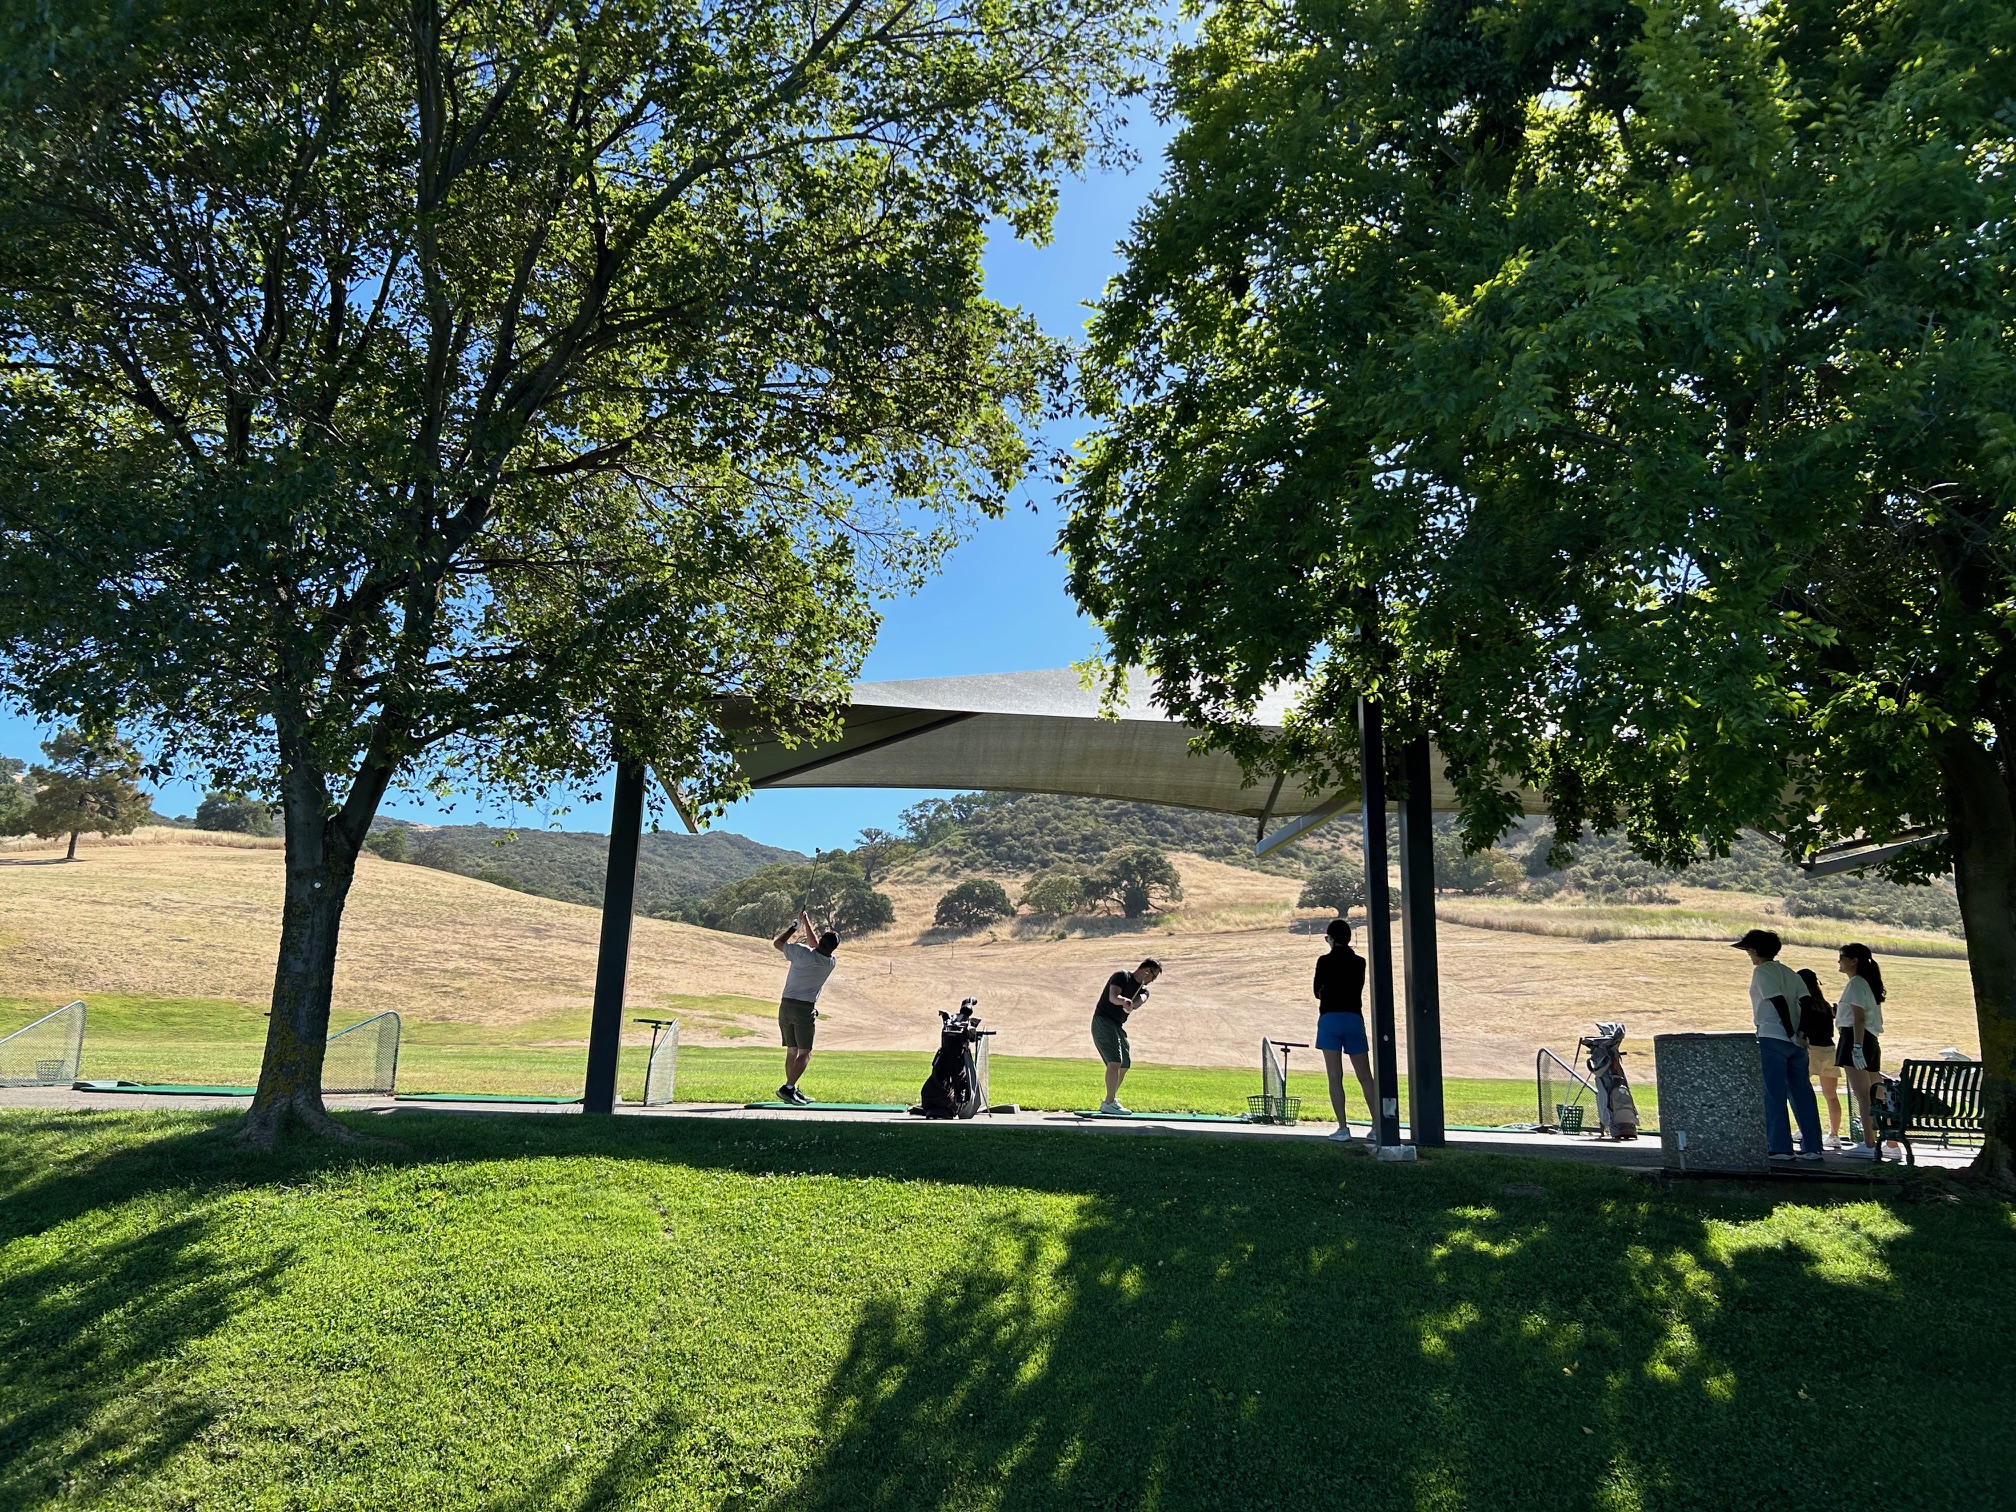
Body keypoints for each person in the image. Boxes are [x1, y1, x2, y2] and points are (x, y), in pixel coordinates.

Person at [1732, 928, 1823, 1164]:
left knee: (1773, 1093)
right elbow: (1807, 1003)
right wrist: (1800, 1033)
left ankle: (1780, 1146)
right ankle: (1813, 1147)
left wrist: (1789, 1030)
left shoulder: (1762, 971)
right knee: (1802, 1093)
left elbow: (1777, 1000)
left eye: (1749, 950)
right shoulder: (1791, 973)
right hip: (1798, 1044)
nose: (1748, 954)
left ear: (1754, 950)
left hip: (1772, 1036)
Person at [1313, 918, 1377, 1144]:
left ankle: (1342, 1127)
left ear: (1329, 939)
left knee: (1334, 1076)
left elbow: (1317, 992)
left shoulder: (1323, 961)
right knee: (1365, 1076)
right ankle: (1377, 1126)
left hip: (1330, 1019)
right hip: (1353, 1018)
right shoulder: (1359, 962)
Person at [771, 910, 838, 1105]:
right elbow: (817, 946)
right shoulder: (830, 963)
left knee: (792, 1050)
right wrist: (806, 922)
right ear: (833, 949)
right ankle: (789, 1088)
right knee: (805, 1052)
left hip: (785, 1006)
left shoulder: (800, 952)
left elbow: (778, 943)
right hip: (804, 1009)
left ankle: (791, 1088)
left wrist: (795, 926)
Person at [1834, 942, 1892, 1160]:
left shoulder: (1856, 983)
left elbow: (1859, 1018)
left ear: (1853, 961)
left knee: (1864, 1094)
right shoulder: (1867, 983)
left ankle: (1869, 1144)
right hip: (1870, 1040)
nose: (1839, 962)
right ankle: (1891, 1143)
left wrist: (1856, 1047)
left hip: (1855, 1039)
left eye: (1842, 957)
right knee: (1878, 1092)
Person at [1092, 958, 1162, 1114]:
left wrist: (1131, 1005)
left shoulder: (1144, 990)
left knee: (1125, 1063)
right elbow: (1113, 997)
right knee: (1115, 1061)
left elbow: (1139, 1002)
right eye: (1153, 976)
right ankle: (1109, 1103)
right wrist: (1123, 1001)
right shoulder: (1121, 976)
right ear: (1146, 971)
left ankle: (1109, 1099)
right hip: (1103, 1021)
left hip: (1117, 1025)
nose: (1152, 980)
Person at [1797, 967, 1846, 1149]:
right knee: (1831, 1096)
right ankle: (1834, 1134)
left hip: (1811, 1049)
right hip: (1829, 1050)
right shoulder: (1824, 1005)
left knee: (1801, 1092)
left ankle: (1805, 1130)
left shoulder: (1803, 1003)